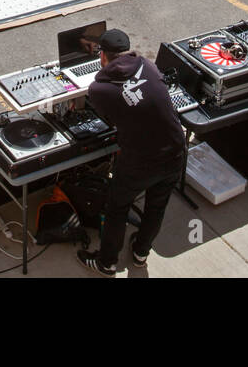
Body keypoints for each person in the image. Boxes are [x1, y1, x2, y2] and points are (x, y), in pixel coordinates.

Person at [76, 29, 186, 276]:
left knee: (117, 208)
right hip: (175, 151)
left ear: (102, 56)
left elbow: (108, 117)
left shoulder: (99, 90)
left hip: (140, 162)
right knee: (156, 206)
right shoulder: (147, 65)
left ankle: (106, 263)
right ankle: (141, 253)